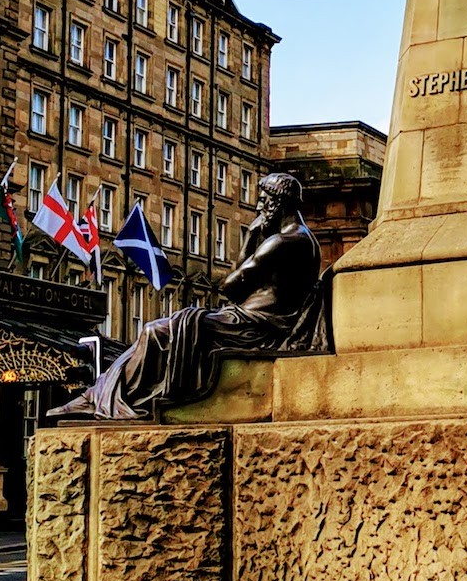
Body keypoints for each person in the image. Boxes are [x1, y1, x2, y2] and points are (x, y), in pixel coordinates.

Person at [55, 173, 327, 420]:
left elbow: (231, 288)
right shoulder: (301, 239)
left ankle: (104, 399)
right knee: (157, 331)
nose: (258, 207)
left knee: (156, 332)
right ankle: (97, 395)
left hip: (255, 326)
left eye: (263, 201)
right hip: (252, 321)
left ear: (278, 204)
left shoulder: (282, 242)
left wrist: (251, 236)